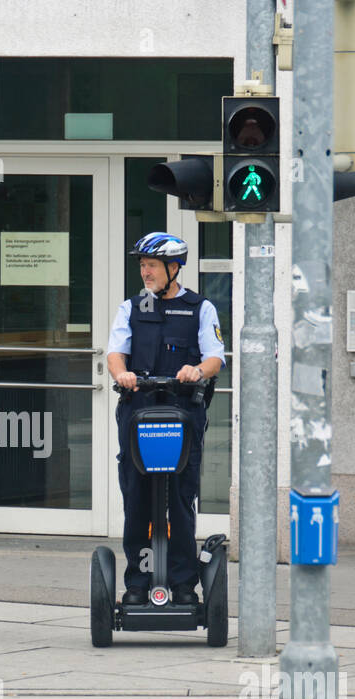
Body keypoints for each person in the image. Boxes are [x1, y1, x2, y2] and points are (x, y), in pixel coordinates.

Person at [107, 232, 225, 606]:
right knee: (137, 500)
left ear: (174, 269)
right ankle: (138, 584)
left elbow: (215, 357)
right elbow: (114, 353)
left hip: (183, 416)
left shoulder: (199, 308)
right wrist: (121, 374)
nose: (145, 272)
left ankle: (184, 584)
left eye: (152, 265)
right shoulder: (130, 308)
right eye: (142, 265)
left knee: (180, 498)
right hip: (139, 413)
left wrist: (197, 370)